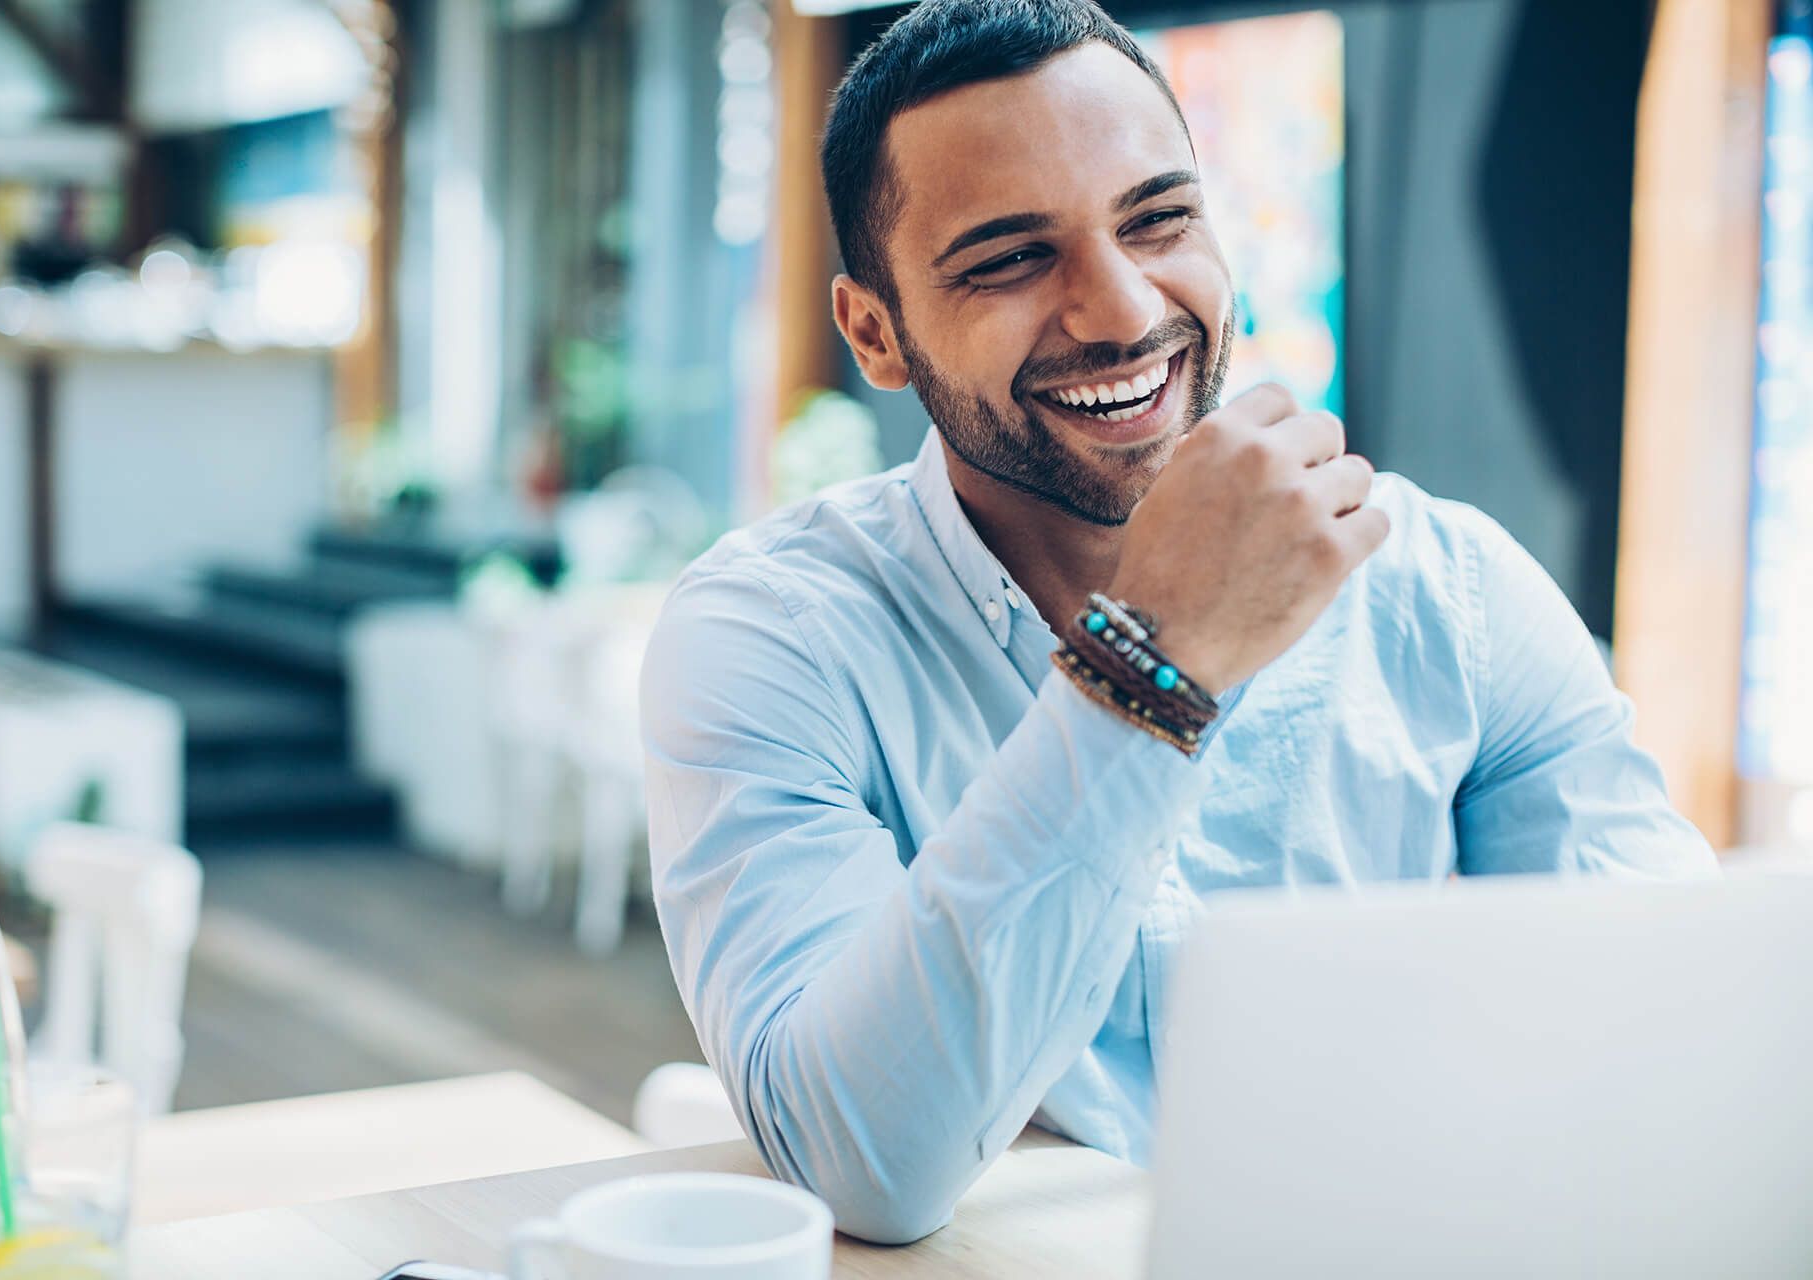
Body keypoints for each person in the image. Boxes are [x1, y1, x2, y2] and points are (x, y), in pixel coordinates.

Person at [639, 0, 1715, 1245]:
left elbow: (1661, 1031)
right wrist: (1150, 662)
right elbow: (865, 1162)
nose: (1120, 308)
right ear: (876, 333)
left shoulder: (1448, 590)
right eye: (1007, 257)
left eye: (1159, 219)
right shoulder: (771, 637)